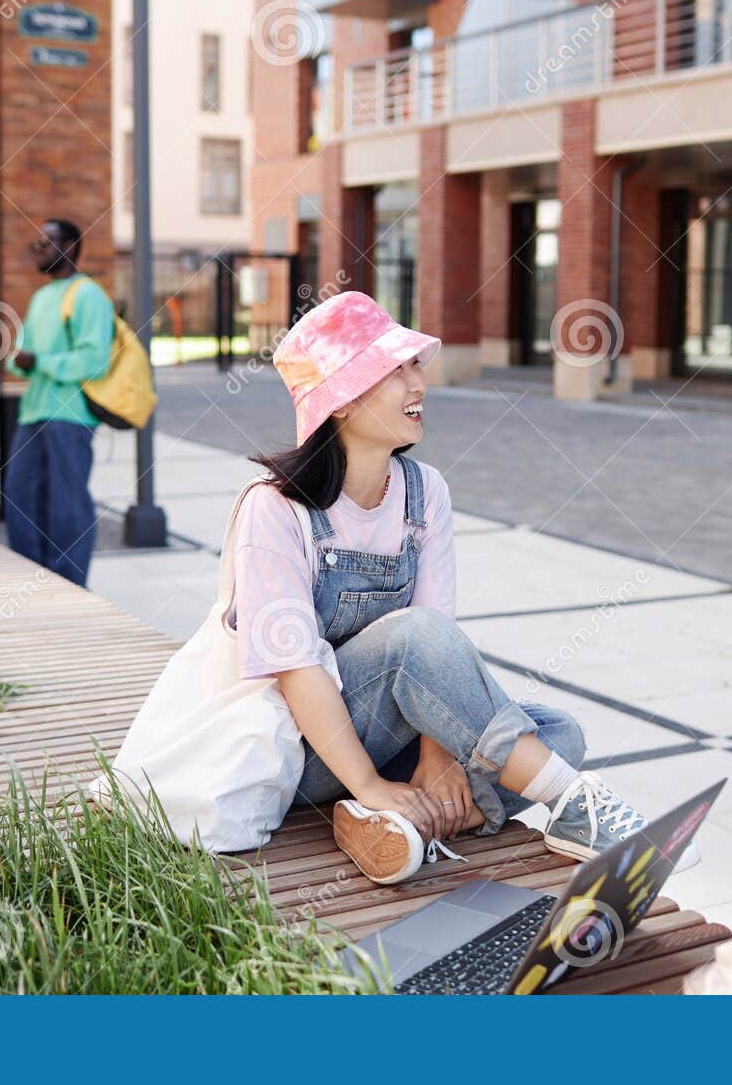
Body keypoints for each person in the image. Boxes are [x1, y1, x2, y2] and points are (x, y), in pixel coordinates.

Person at [232, 291, 685, 884]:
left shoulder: (426, 493)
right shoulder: (275, 508)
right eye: (393, 371)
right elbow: (298, 671)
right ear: (340, 401)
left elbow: (439, 644)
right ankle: (574, 807)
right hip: (304, 750)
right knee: (420, 645)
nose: (417, 383)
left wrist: (436, 760)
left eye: (414, 365)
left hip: (387, 737)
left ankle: (389, 823)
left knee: (558, 733)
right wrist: (368, 778)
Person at [4, 218, 114, 587]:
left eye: (45, 243)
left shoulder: (88, 295)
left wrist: (40, 362)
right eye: (35, 243)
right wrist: (20, 361)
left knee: (66, 504)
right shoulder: (41, 297)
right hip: (34, 411)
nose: (37, 249)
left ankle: (69, 584)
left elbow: (95, 360)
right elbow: (23, 355)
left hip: (71, 414)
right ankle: (29, 578)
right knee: (19, 496)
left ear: (68, 247)